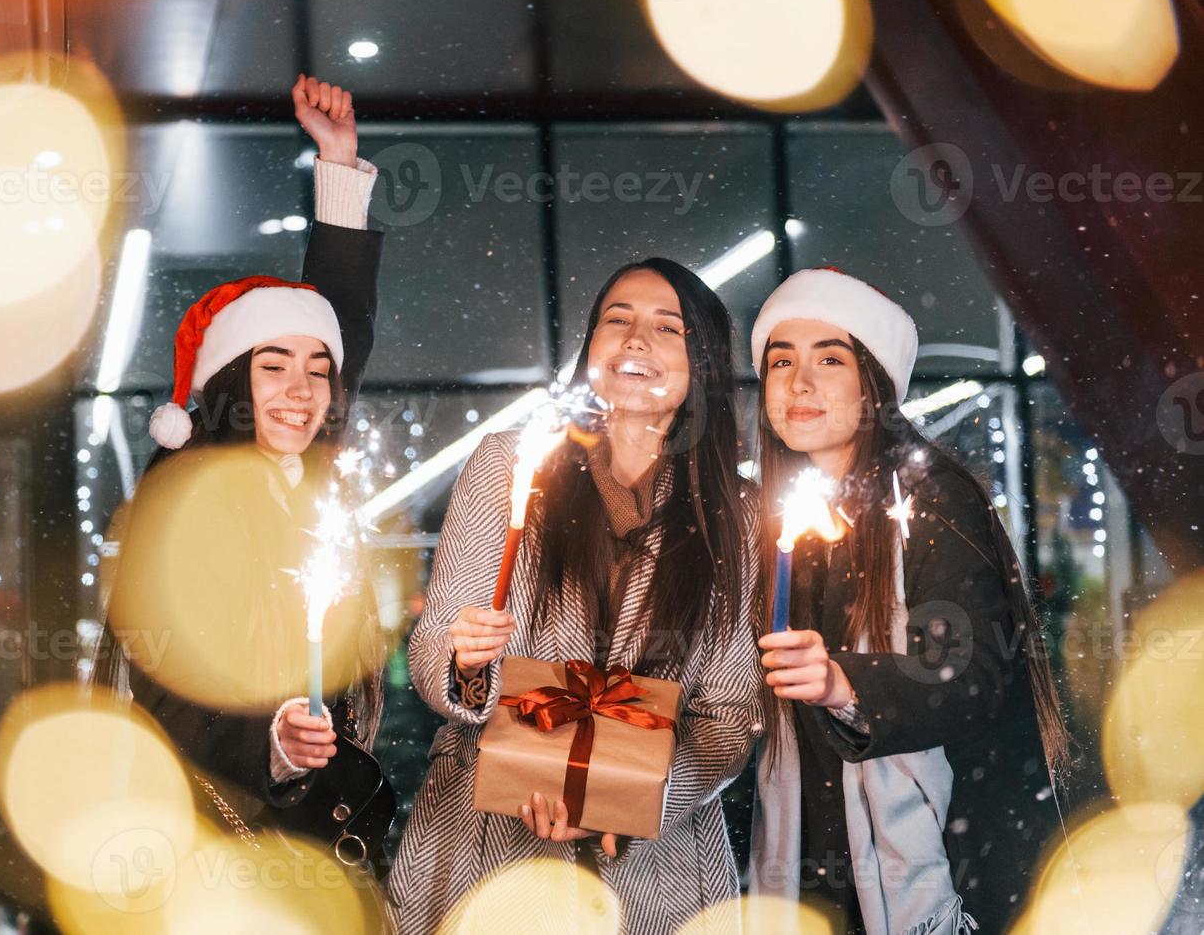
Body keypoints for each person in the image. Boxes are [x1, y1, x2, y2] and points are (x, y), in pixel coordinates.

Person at [386, 258, 763, 934]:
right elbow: (438, 638)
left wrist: (624, 799)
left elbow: (728, 716)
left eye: (666, 328)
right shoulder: (510, 464)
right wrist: (467, 663)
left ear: (702, 363)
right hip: (485, 846)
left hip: (659, 874)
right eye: (616, 320)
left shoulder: (736, 514)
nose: (636, 340)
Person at [87, 74, 388, 836]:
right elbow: (167, 698)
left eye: (317, 371)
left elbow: (337, 328)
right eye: (271, 367)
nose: (301, 390)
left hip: (311, 833)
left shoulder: (304, 477)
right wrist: (276, 748)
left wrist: (340, 166)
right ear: (230, 382)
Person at [747, 267, 1071, 934]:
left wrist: (843, 680)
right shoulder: (776, 520)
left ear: (874, 383)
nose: (799, 383)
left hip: (935, 857)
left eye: (829, 359)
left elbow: (971, 676)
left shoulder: (930, 501)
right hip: (809, 852)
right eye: (781, 361)